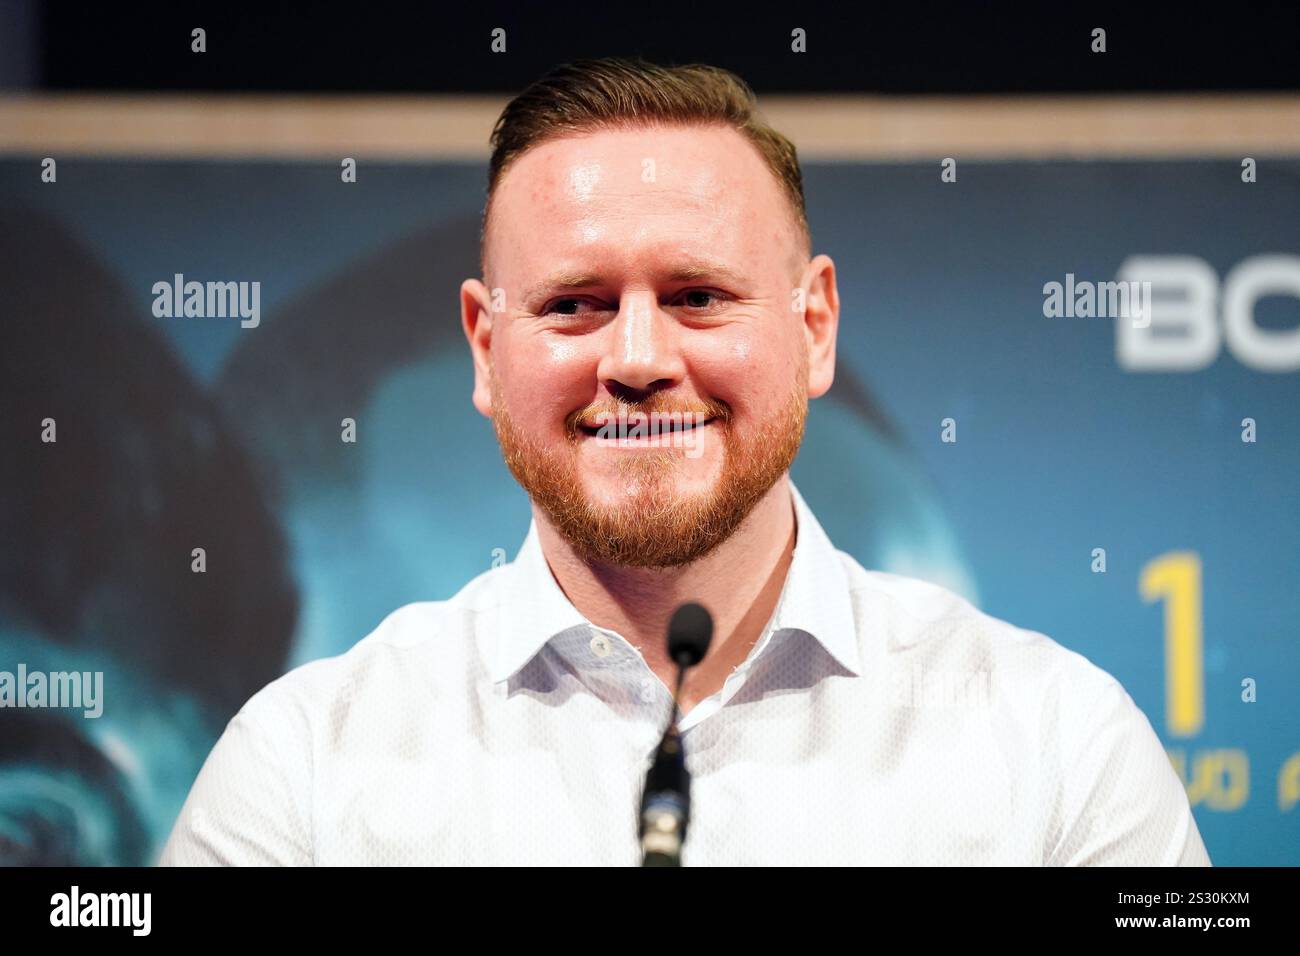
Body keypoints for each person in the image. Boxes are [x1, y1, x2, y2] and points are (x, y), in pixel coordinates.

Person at [159, 57, 1210, 866]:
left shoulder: (1058, 744)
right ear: (487, 347)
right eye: (574, 304)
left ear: (814, 327)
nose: (637, 359)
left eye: (698, 296)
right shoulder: (298, 767)